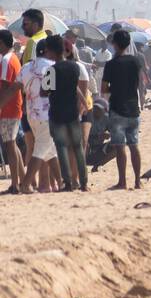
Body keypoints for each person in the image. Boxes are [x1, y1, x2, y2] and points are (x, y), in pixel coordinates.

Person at [43, 36, 90, 192]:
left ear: (51, 51)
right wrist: (83, 102)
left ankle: (68, 183)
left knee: (62, 148)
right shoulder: (74, 67)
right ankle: (84, 183)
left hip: (57, 113)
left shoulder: (51, 70)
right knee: (77, 148)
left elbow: (44, 92)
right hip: (72, 113)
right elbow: (75, 88)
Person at [100, 29, 145, 190]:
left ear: (115, 44)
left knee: (120, 147)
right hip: (134, 108)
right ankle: (138, 181)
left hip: (117, 108)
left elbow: (104, 88)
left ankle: (122, 181)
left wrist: (114, 88)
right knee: (134, 145)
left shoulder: (111, 64)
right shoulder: (136, 61)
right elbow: (139, 82)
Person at [18, 37, 56, 193]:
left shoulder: (26, 67)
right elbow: (49, 91)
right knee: (41, 150)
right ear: (48, 50)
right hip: (46, 114)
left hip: (30, 114)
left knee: (49, 150)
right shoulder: (51, 67)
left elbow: (19, 88)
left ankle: (48, 184)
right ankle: (26, 183)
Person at [0, 30, 26, 193]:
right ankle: (23, 180)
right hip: (13, 106)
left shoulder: (7, 60)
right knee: (12, 144)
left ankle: (15, 184)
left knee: (10, 145)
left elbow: (5, 86)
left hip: (8, 107)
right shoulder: (14, 58)